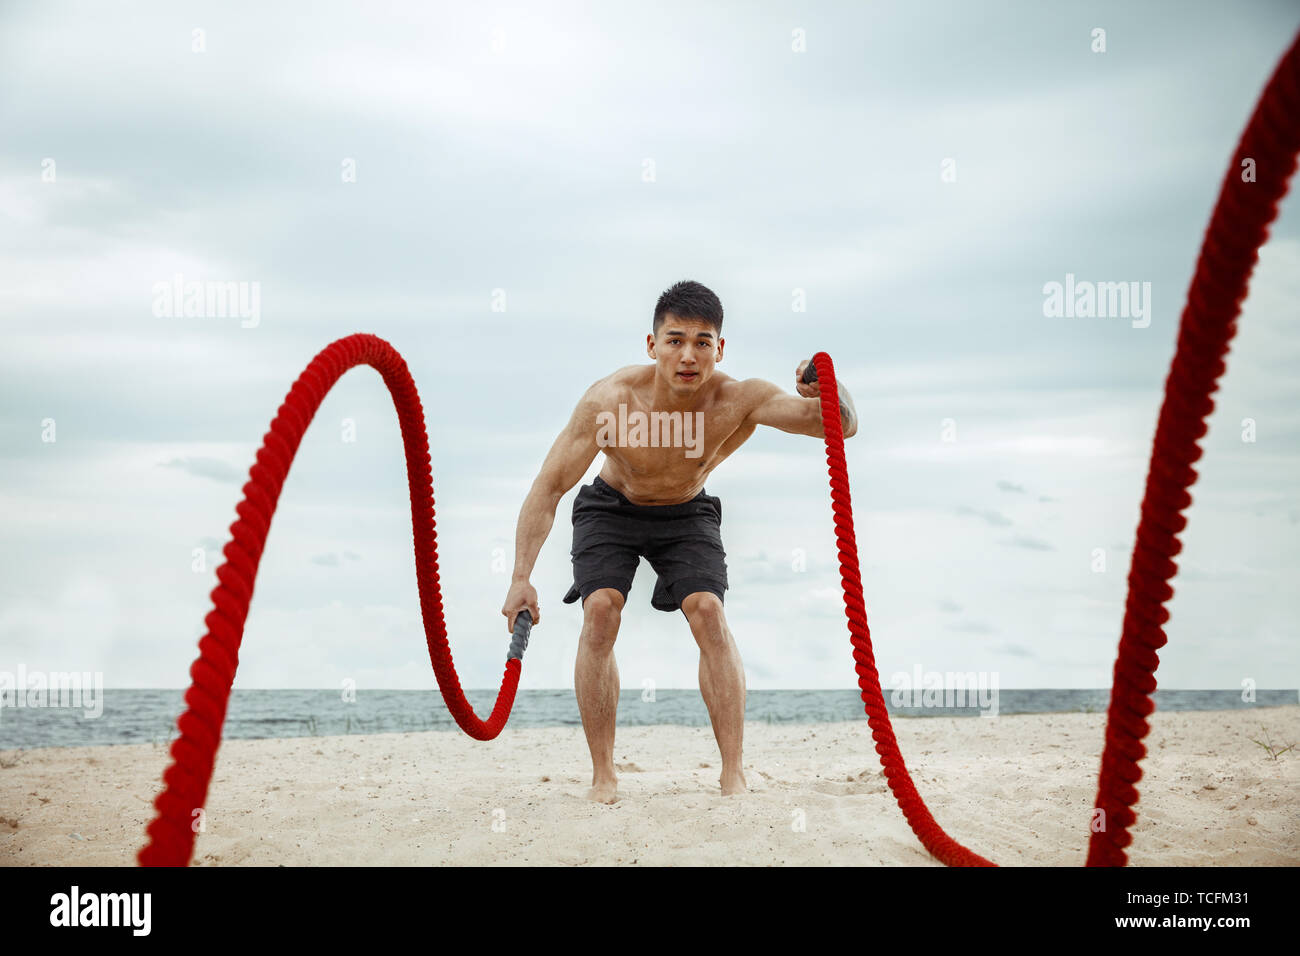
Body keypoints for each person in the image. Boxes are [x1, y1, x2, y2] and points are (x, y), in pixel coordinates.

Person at [500, 279, 859, 803]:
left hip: (687, 512)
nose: (688, 354)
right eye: (674, 340)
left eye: (702, 341)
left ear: (719, 348)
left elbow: (840, 425)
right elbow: (550, 486)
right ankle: (604, 774)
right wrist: (520, 578)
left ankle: (733, 771)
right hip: (612, 507)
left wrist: (828, 387)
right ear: (652, 346)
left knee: (708, 612)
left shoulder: (740, 399)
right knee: (600, 610)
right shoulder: (611, 401)